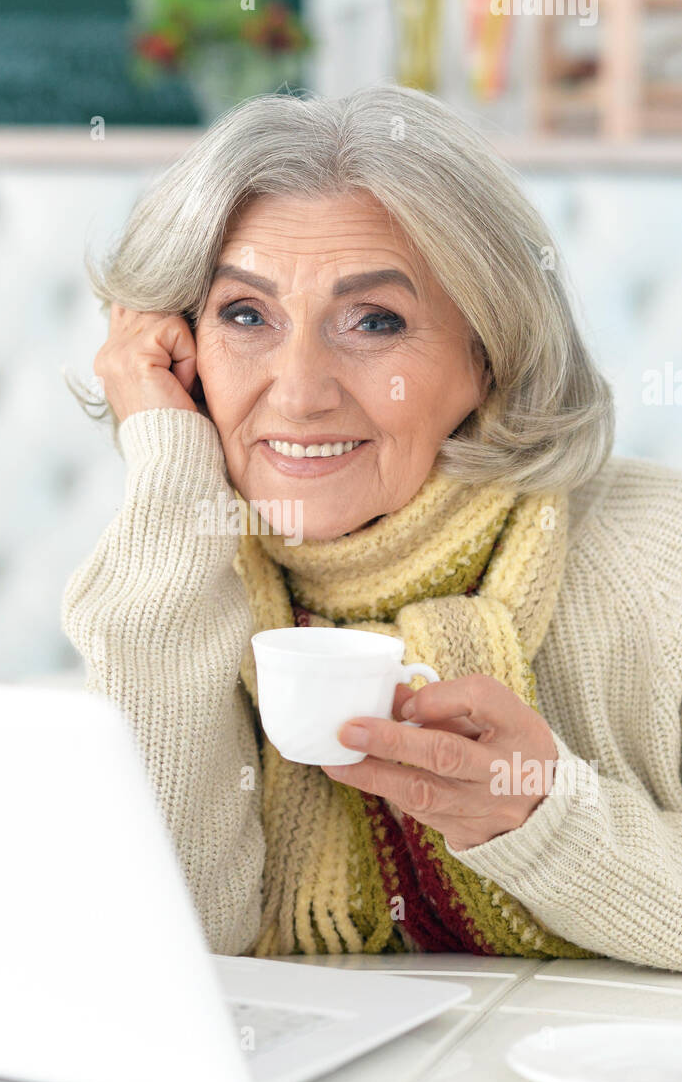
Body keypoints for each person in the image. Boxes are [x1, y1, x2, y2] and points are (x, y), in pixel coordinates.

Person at [62, 84, 682, 970]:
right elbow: (162, 943)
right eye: (245, 316)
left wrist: (539, 819)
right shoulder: (184, 574)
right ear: (181, 351)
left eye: (374, 321)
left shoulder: (659, 566)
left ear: (490, 359)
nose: (301, 389)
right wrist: (168, 464)